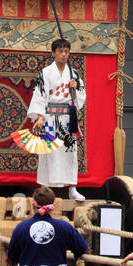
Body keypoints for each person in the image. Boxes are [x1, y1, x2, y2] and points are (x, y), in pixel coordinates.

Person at [28, 39, 86, 201]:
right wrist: (40, 117)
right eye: (60, 51)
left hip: (67, 118)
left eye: (66, 51)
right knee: (48, 152)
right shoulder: (46, 73)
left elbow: (80, 98)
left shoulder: (73, 74)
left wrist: (75, 88)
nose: (63, 54)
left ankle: (72, 187)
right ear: (53, 53)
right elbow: (40, 95)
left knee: (69, 152)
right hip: (50, 118)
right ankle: (44, 188)